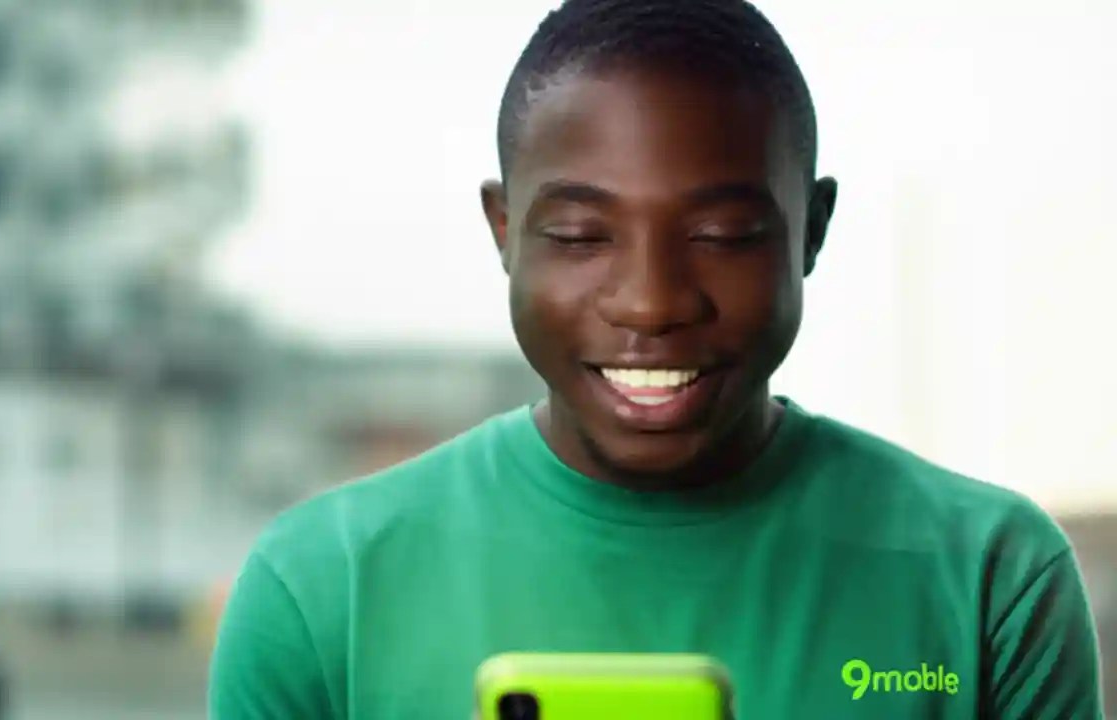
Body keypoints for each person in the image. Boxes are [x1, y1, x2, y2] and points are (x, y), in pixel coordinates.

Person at [208, 0, 1105, 717]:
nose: (651, 301)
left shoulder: (990, 579)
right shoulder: (323, 590)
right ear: (504, 230)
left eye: (723, 234)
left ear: (812, 230)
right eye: (579, 234)